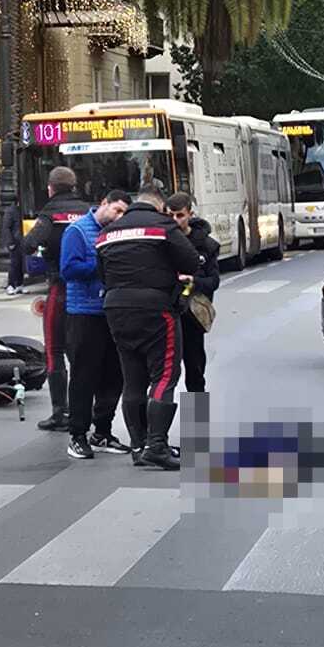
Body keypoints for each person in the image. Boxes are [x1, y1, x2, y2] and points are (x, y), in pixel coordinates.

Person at [98, 181, 200, 470]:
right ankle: (157, 445)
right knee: (165, 374)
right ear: (160, 205)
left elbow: (101, 273)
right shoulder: (162, 226)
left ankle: (138, 446)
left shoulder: (108, 233)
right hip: (155, 308)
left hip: (116, 308)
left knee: (133, 379)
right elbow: (191, 261)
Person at [59, 190, 132, 460]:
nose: (119, 217)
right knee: (84, 377)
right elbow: (69, 269)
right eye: (117, 210)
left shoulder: (118, 233)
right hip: (84, 314)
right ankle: (77, 434)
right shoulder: (77, 231)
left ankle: (102, 431)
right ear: (103, 204)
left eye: (124, 213)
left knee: (113, 375)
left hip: (112, 312)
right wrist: (103, 264)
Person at [24, 166, 89, 432]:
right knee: (82, 352)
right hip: (87, 290)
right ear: (74, 186)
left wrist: (45, 250)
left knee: (54, 349)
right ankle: (85, 410)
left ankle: (60, 411)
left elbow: (28, 244)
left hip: (60, 287)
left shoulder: (49, 213)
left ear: (50, 188)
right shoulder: (88, 211)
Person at [168, 192, 220, 396]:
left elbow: (213, 282)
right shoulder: (162, 240)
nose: (175, 220)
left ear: (190, 214)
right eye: (170, 215)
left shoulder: (206, 245)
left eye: (179, 215)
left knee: (195, 371)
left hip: (192, 315)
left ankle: (197, 416)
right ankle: (159, 417)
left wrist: (193, 281)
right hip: (166, 312)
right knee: (164, 374)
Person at [0, 198, 25, 295]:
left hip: (21, 240)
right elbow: (6, 228)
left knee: (20, 263)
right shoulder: (11, 211)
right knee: (14, 263)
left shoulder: (20, 210)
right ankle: (11, 285)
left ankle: (19, 284)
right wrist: (10, 242)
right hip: (15, 241)